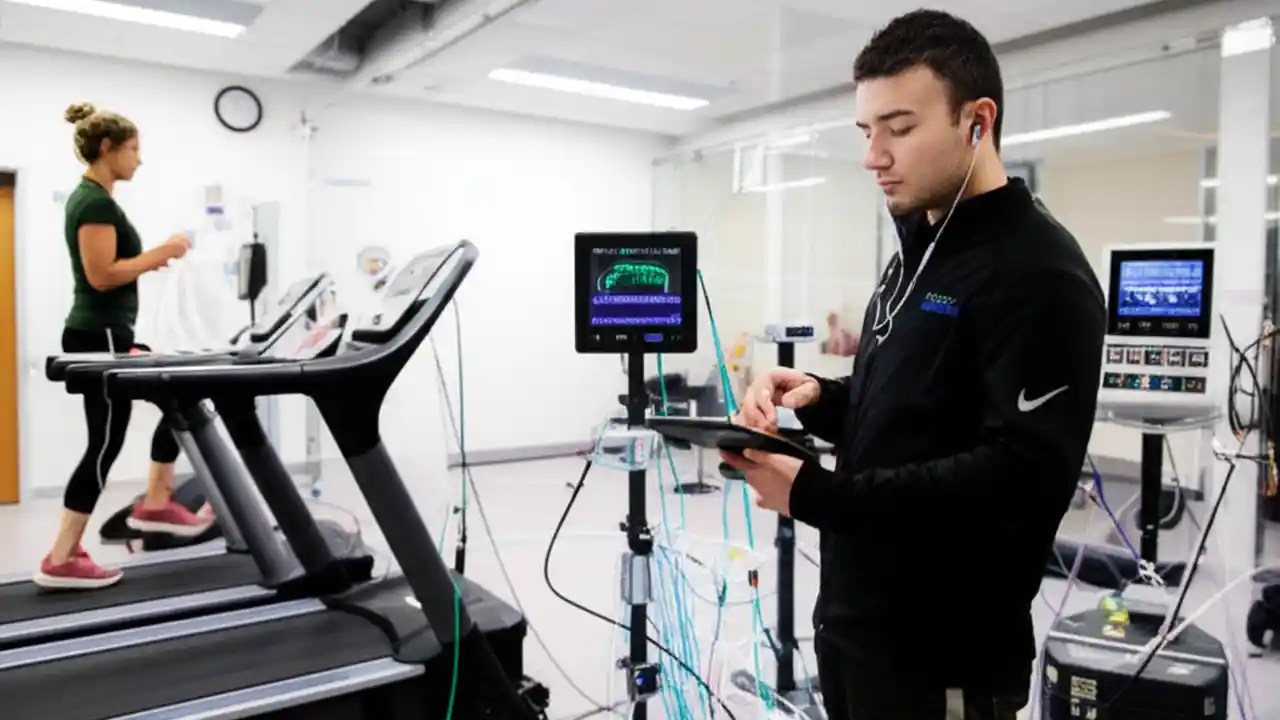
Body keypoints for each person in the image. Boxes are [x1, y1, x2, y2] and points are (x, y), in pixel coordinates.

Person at [722, 10, 1106, 720]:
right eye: (867, 132)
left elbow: (1017, 478)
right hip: (857, 633)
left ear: (977, 120)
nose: (874, 155)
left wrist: (815, 496)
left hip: (942, 664)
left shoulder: (1038, 272)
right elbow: (921, 405)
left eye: (899, 129)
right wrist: (818, 397)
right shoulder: (921, 248)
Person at [34, 102, 214, 590]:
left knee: (180, 394)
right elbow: (102, 275)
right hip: (101, 334)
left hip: (111, 334)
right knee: (104, 444)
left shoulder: (96, 200)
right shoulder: (93, 202)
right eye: (134, 149)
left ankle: (157, 502)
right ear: (107, 149)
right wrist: (162, 254)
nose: (140, 159)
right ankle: (62, 555)